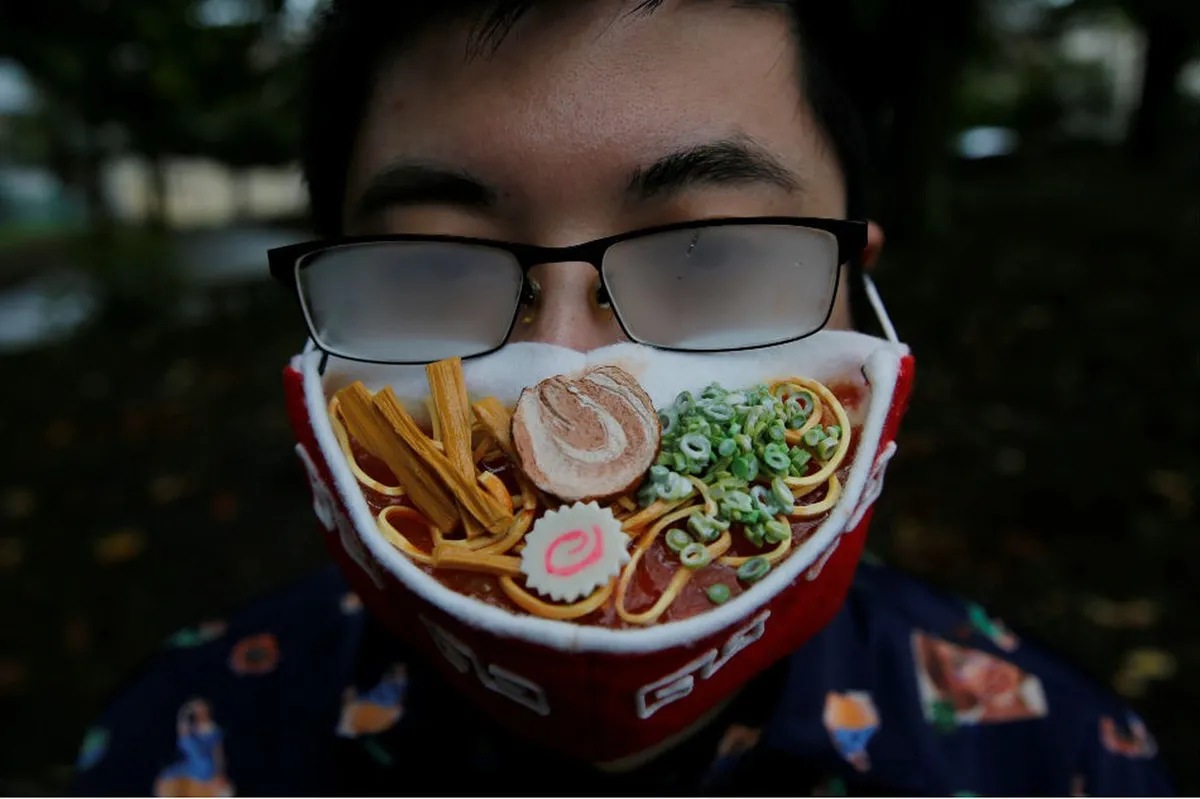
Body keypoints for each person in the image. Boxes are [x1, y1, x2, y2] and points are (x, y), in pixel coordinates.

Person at [71, 1, 1174, 795]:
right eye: (433, 266)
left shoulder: (1055, 759)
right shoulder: (177, 747)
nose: (563, 377)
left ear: (857, 291)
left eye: (704, 254)